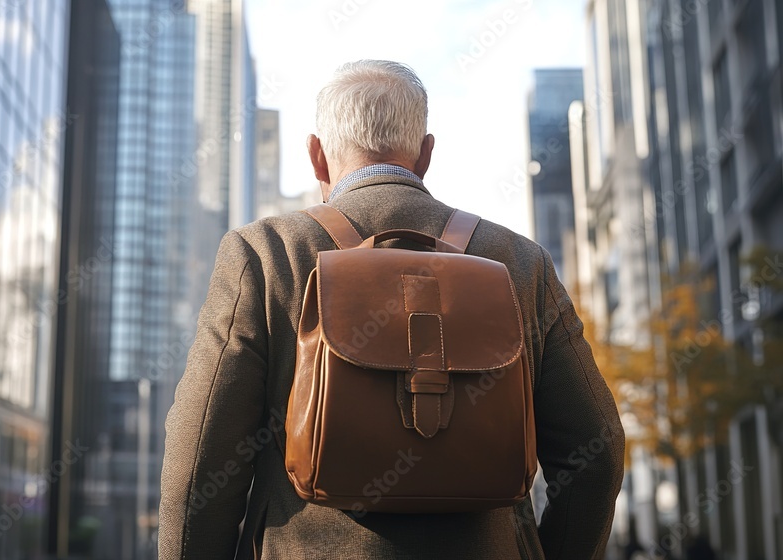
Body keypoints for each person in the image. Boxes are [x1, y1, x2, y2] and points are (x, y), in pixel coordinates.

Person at [158, 60, 625, 559]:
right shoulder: (519, 262)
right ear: (425, 155)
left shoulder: (267, 253)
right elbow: (596, 454)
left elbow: (200, 458)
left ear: (316, 156)